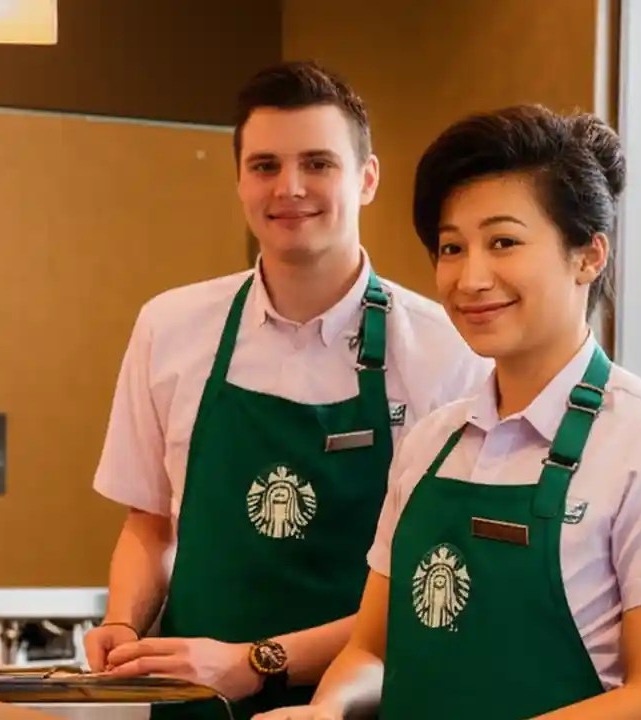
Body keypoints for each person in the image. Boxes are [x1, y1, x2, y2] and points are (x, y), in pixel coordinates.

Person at [255, 104, 641, 720]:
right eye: (452, 248)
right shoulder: (432, 443)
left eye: (503, 242)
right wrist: (329, 709)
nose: (471, 277)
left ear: (589, 255)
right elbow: (373, 650)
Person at [83, 61, 492, 719]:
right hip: (196, 700)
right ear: (240, 180)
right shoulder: (170, 327)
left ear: (366, 179)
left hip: (366, 705)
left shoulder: (448, 350)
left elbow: (435, 581)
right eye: (266, 166)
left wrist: (254, 661)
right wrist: (125, 625)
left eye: (319, 164)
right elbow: (149, 523)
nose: (290, 188)